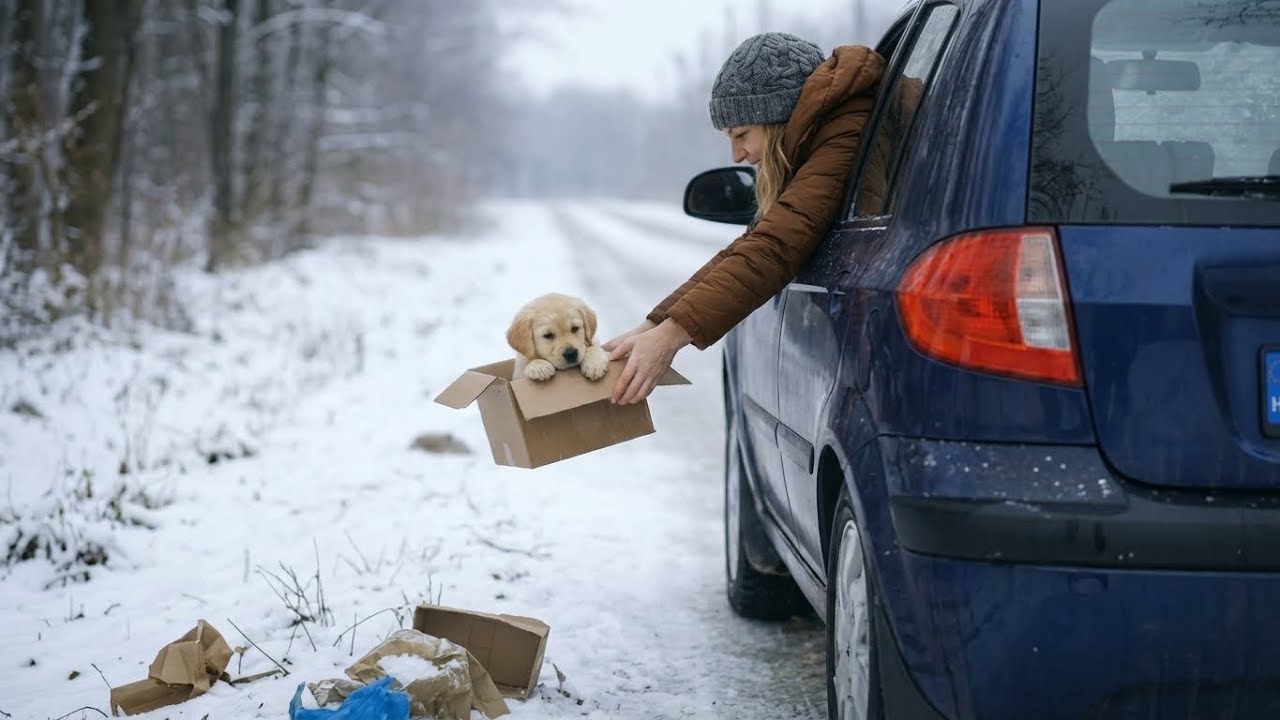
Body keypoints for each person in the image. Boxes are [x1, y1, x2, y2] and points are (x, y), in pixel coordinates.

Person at [603, 32, 887, 404]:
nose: (737, 154)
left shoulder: (847, 131)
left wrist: (670, 337)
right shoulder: (834, 131)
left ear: (778, 116)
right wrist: (654, 325)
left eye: (741, 134)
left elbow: (775, 247)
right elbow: (755, 242)